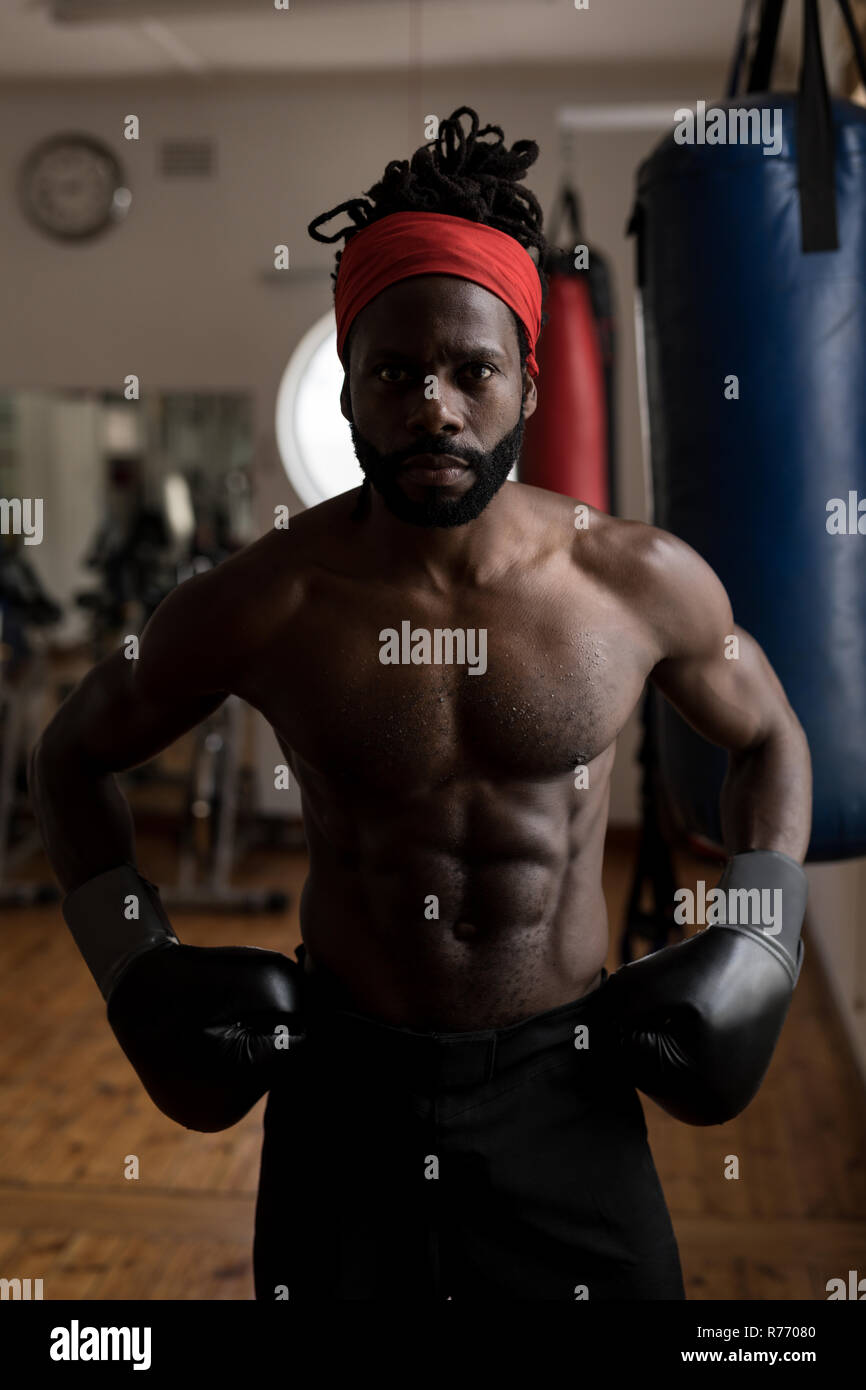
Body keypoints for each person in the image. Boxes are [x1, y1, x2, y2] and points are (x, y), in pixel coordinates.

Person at [29, 107, 811, 1301]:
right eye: (395, 372)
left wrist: (761, 931)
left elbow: (766, 734)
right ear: (346, 389)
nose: (433, 405)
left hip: (570, 1083)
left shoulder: (632, 580)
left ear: (527, 383)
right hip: (348, 1088)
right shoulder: (265, 600)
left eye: (470, 370)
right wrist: (131, 962)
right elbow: (75, 752)